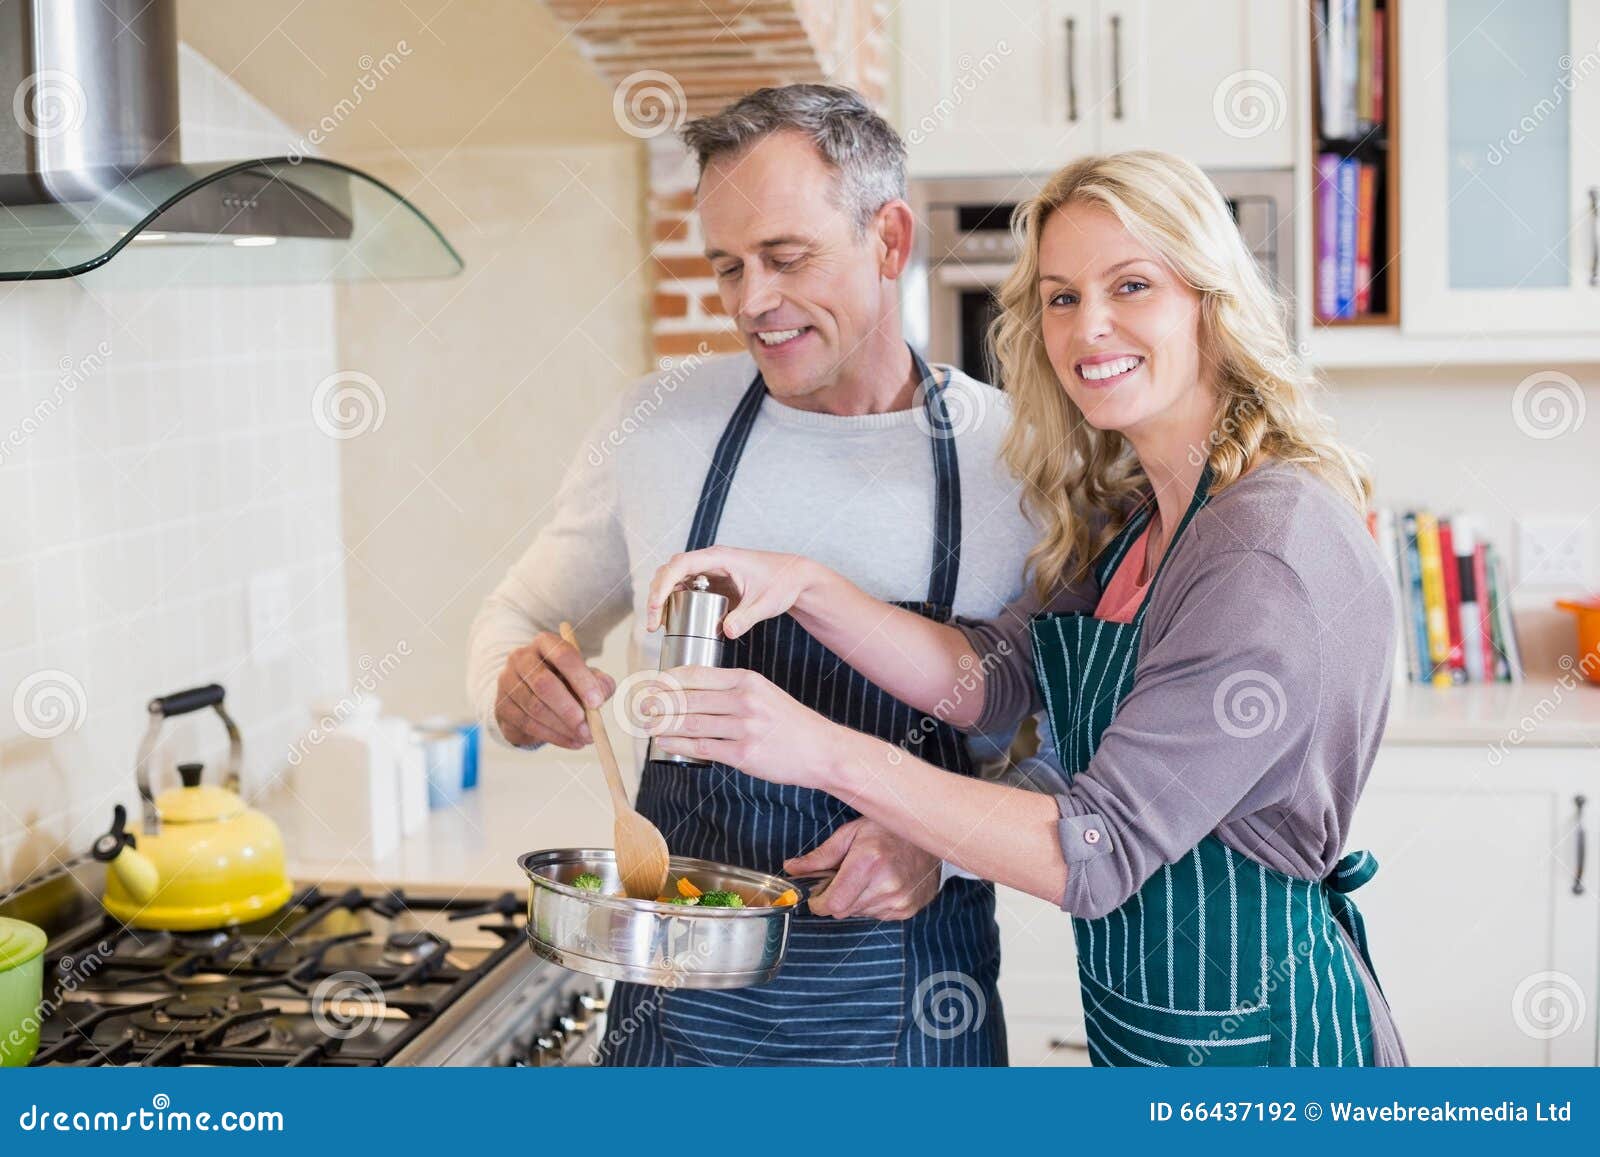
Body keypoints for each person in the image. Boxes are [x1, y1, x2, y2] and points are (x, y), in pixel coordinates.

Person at [645, 151, 1408, 1067]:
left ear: (1210, 300)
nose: (1089, 327)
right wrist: (806, 586)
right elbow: (990, 680)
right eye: (1061, 297)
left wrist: (821, 750)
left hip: (1270, 1045)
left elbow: (1097, 845)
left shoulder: (1263, 547)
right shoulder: (1142, 517)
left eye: (1132, 285)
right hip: (1151, 1030)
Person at [467, 84, 1042, 1066]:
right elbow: (520, 615)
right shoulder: (660, 428)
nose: (750, 302)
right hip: (673, 1019)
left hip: (911, 1008)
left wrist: (943, 843)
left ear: (890, 239)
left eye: (786, 257)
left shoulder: (1013, 458)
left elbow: (1073, 746)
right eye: (728, 266)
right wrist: (509, 689)